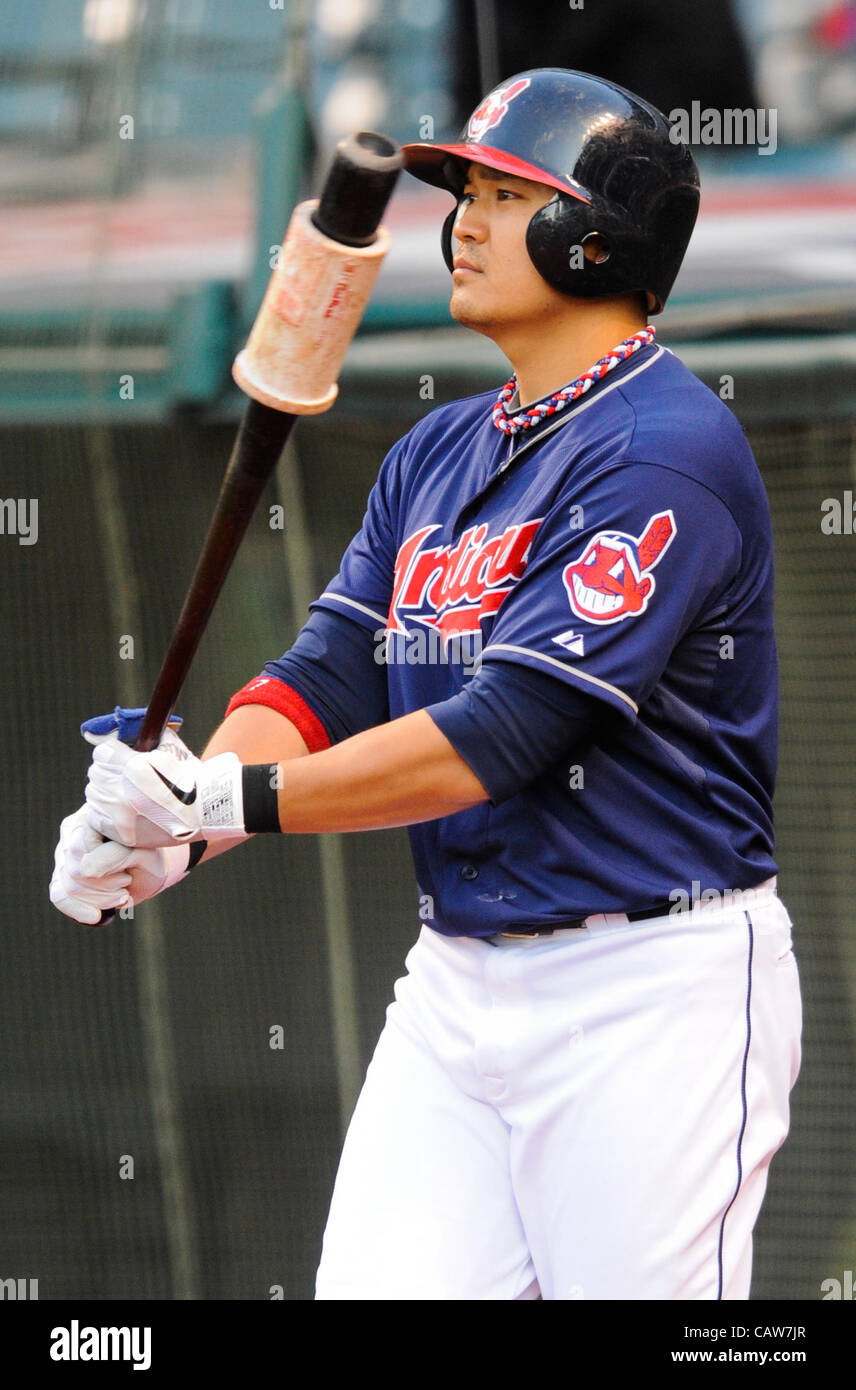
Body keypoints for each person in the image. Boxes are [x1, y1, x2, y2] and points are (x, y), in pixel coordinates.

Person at [50, 69, 802, 1301]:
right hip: (458, 979)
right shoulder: (437, 451)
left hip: (649, 994)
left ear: (595, 234)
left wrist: (218, 807)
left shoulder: (667, 447)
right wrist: (171, 819)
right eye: (462, 189)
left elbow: (498, 734)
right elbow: (325, 676)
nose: (462, 217)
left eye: (504, 193)